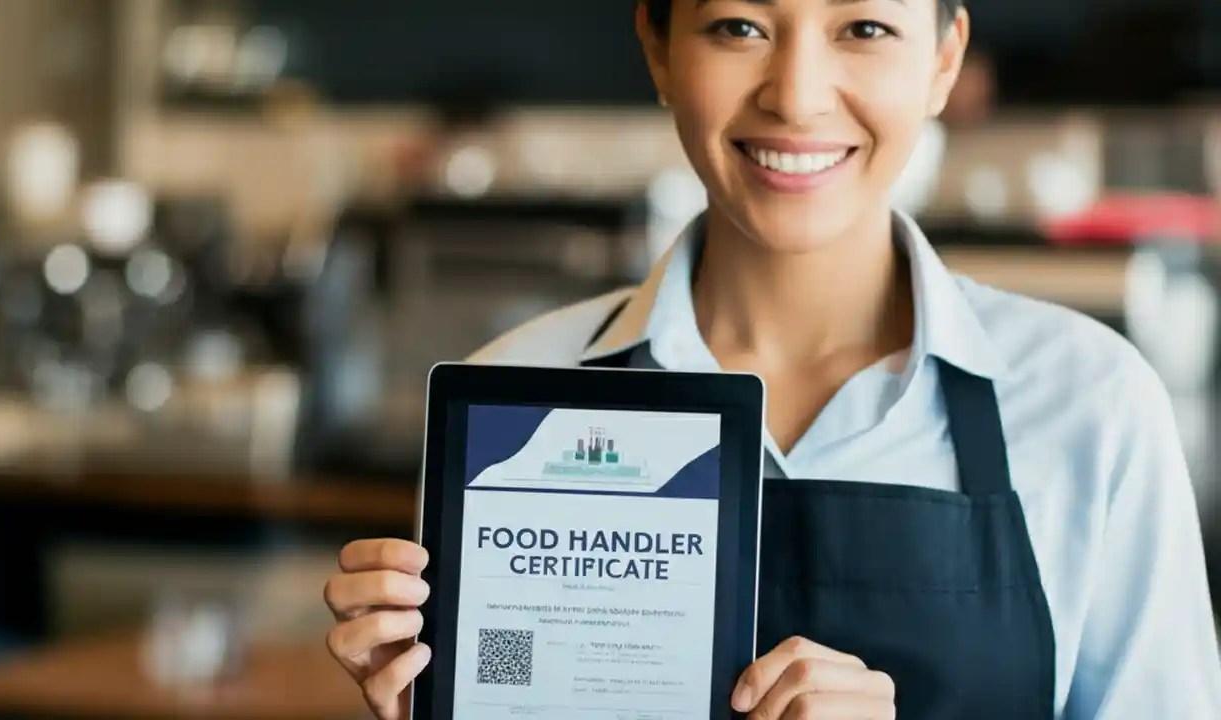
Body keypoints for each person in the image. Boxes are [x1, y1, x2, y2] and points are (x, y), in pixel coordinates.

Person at [324, 0, 1221, 717]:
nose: (796, 96)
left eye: (863, 28)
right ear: (658, 49)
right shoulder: (512, 398)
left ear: (945, 59)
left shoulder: (1091, 402)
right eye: (738, 27)